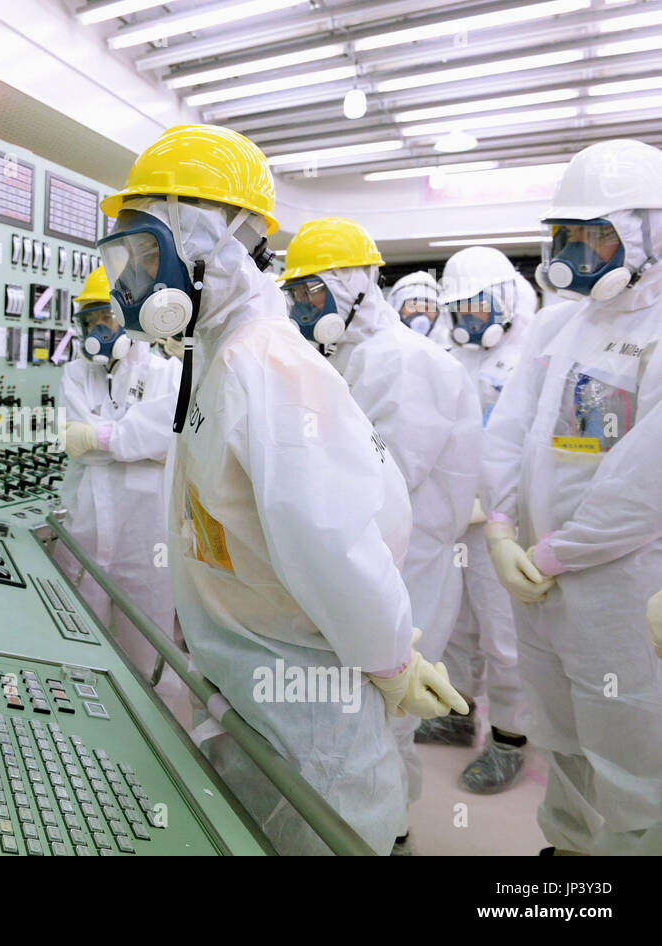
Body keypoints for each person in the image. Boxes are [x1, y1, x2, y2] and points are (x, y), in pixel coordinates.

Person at [96, 124, 466, 856]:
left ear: (210, 249)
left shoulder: (267, 365)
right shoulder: (220, 351)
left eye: (147, 255)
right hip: (254, 683)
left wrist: (392, 663)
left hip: (306, 710)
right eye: (125, 257)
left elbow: (333, 546)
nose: (130, 280)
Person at [482, 138, 662, 855]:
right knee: (559, 732)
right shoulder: (559, 324)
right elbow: (509, 431)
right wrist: (499, 525)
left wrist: (557, 551)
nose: (577, 254)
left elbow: (644, 482)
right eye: (566, 236)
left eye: (597, 235)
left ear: (649, 231)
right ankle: (570, 857)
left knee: (629, 744)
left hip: (618, 586)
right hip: (536, 578)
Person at [281, 219, 481, 845]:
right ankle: (379, 828)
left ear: (353, 286)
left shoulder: (405, 362)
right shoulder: (352, 358)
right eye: (297, 297)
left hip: (408, 566)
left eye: (314, 293)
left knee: (386, 716)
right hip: (374, 562)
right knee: (364, 712)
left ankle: (389, 833)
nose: (304, 309)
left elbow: (382, 476)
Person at [419, 246, 536, 794]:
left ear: (508, 300)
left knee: (503, 633)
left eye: (479, 308)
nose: (470, 320)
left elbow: (524, 447)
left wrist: (497, 510)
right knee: (457, 625)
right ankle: (459, 713)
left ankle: (511, 737)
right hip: (454, 522)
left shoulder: (532, 355)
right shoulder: (451, 356)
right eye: (460, 310)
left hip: (500, 525)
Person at [54, 267, 188, 726]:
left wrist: (100, 437)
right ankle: (86, 741)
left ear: (127, 319)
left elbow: (163, 436)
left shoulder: (165, 372)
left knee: (152, 656)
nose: (97, 331)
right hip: (86, 534)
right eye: (89, 321)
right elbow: (87, 451)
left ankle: (169, 752)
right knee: (78, 649)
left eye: (105, 319)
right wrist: (125, 442)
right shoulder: (74, 374)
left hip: (145, 542)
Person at [388, 270, 450, 345]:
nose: (421, 311)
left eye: (428, 307)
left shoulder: (448, 352)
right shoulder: (382, 348)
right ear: (396, 308)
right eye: (413, 306)